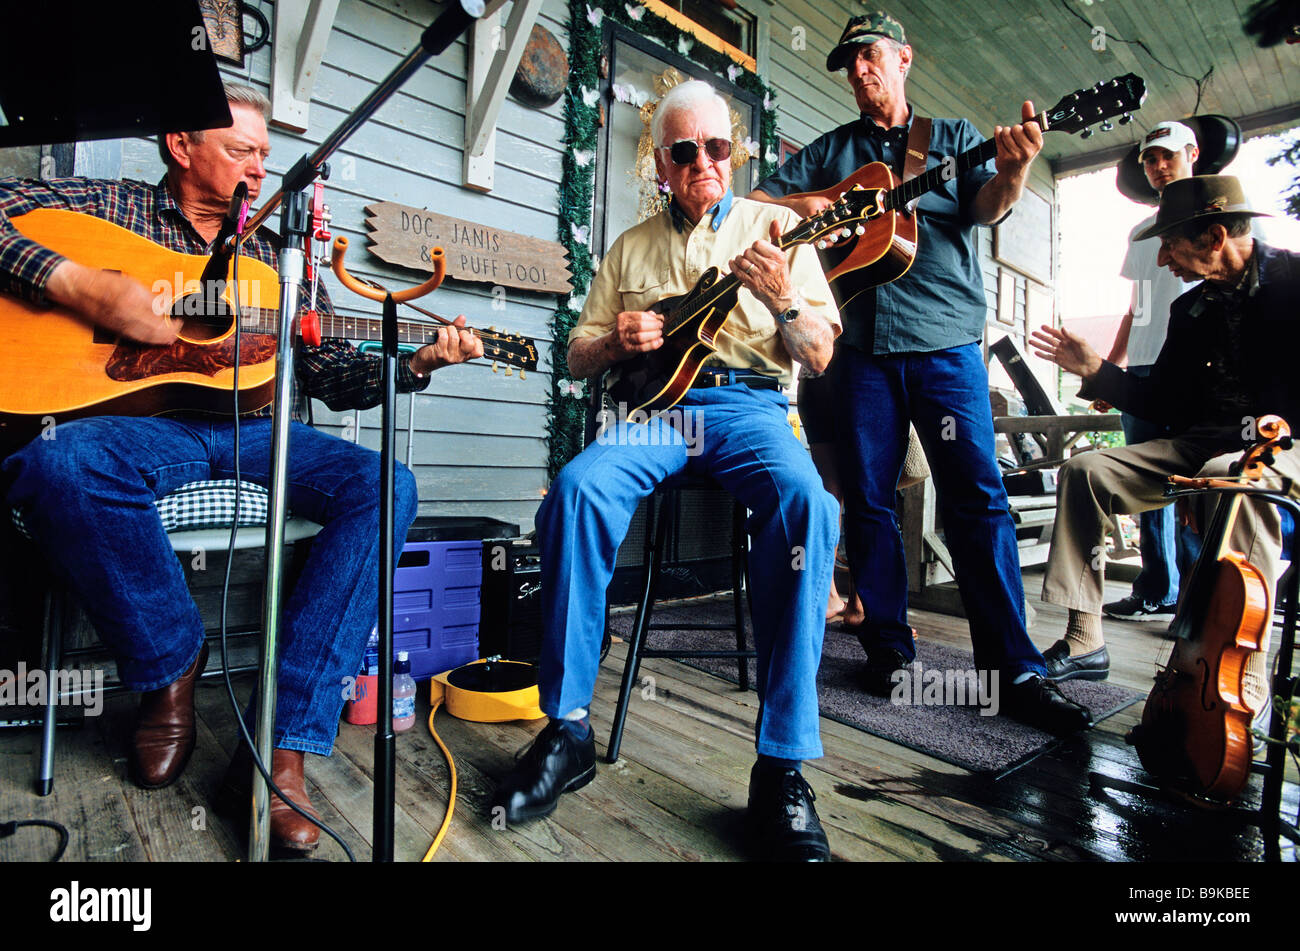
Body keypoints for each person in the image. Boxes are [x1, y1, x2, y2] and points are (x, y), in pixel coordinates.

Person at [0, 82, 483, 855]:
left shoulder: (275, 254)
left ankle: (281, 744)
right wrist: (82, 284)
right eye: (240, 150)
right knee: (56, 461)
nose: (259, 168)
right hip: (137, 427)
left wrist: (417, 362)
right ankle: (170, 661)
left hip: (258, 431)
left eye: (264, 153)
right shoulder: (111, 205)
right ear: (180, 147)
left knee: (386, 485)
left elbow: (329, 372)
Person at [491, 80, 842, 861]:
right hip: (661, 412)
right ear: (660, 163)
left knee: (810, 507)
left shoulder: (777, 228)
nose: (704, 163)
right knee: (577, 490)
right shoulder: (630, 246)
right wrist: (615, 340)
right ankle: (568, 729)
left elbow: (818, 353)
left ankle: (782, 766)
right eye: (686, 151)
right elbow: (578, 357)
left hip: (753, 407)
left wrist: (784, 298)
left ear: (734, 152)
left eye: (718, 147)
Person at [748, 11, 1089, 733]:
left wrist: (1016, 168)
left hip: (945, 343)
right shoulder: (832, 150)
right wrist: (811, 204)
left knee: (977, 497)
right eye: (848, 62)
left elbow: (987, 206)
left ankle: (1014, 669)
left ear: (904, 58)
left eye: (869, 54)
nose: (859, 69)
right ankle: (888, 649)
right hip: (859, 350)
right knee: (870, 501)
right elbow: (755, 203)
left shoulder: (955, 138)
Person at [1031, 175, 1298, 713]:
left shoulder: (1294, 281)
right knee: (1086, 470)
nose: (1162, 260)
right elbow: (1164, 403)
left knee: (1228, 476)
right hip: (1201, 445)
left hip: (1283, 445)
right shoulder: (1189, 309)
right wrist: (1097, 370)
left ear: (1214, 236)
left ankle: (1243, 671)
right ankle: (1085, 638)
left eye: (1170, 244)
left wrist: (1244, 450)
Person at [1091, 122, 1200, 629]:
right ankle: (1157, 589)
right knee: (1145, 483)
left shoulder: (1213, 215)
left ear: (1191, 154)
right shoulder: (1140, 233)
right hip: (1142, 368)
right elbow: (1137, 306)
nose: (1158, 167)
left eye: (1167, 156)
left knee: (1195, 483)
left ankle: (1199, 600)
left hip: (1194, 367)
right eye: (1150, 160)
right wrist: (1110, 371)